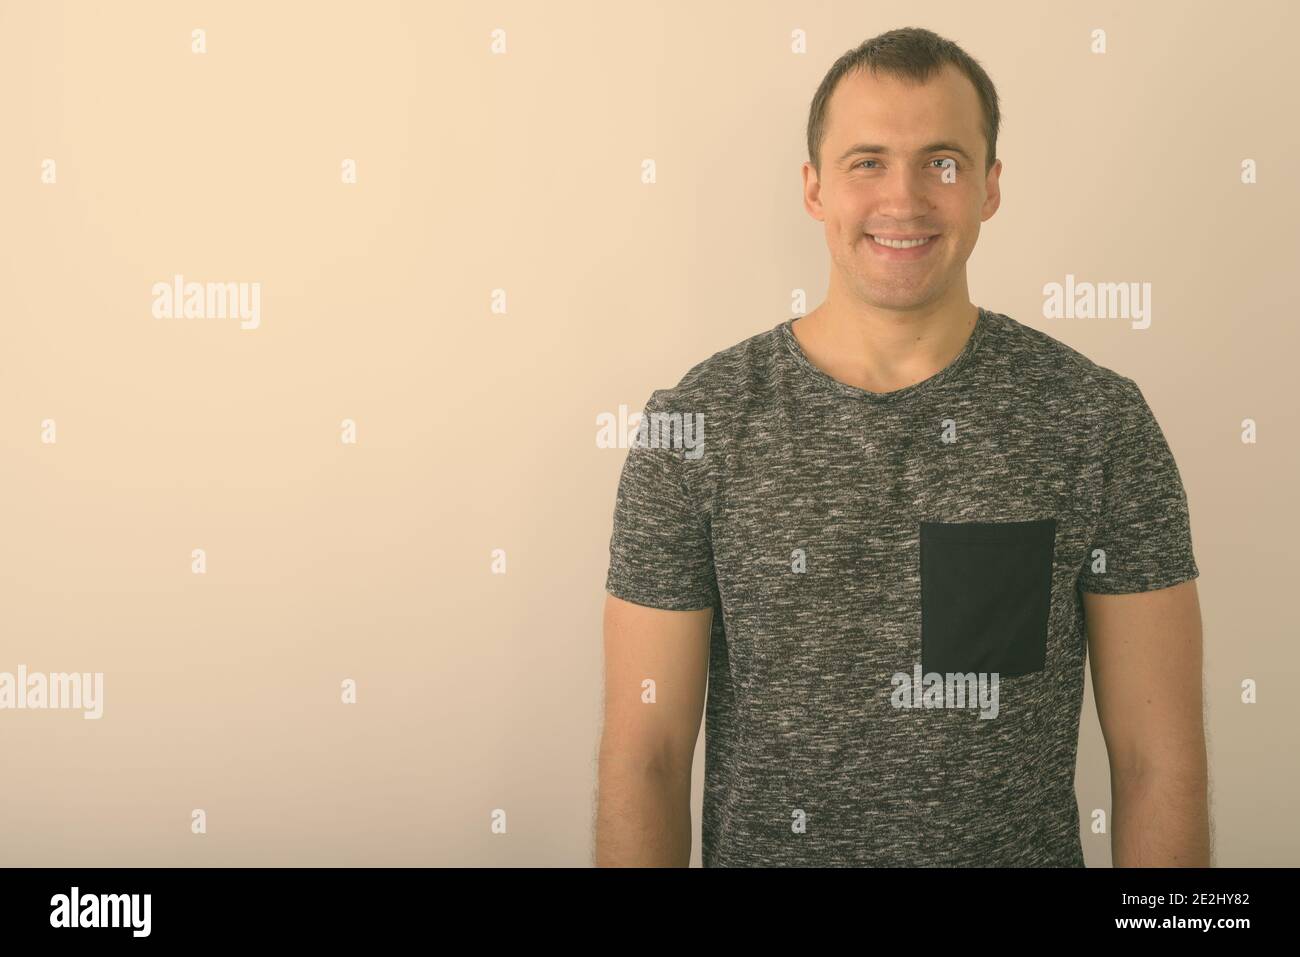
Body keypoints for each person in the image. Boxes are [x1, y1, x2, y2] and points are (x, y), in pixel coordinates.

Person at [595, 26, 1208, 867]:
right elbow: (647, 757)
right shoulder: (693, 429)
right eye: (868, 161)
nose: (905, 199)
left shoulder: (1097, 422)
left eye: (943, 162)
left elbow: (1157, 762)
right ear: (814, 189)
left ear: (990, 188)